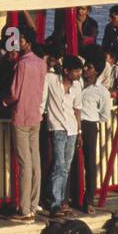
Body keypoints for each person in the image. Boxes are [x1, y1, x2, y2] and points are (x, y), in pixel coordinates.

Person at [6, 27, 45, 220]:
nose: (17, 44)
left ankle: (24, 209)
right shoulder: (41, 63)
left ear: (27, 42)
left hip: (21, 115)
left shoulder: (22, 64)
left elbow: (14, 92)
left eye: (20, 41)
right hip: (35, 115)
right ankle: (34, 202)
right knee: (35, 160)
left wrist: (4, 101)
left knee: (25, 164)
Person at [42, 55, 84, 217]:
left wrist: (79, 132)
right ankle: (55, 202)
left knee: (65, 167)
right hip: (57, 127)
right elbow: (43, 99)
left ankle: (60, 200)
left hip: (72, 129)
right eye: (75, 71)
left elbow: (77, 109)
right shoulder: (51, 80)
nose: (78, 74)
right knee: (59, 165)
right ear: (66, 71)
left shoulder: (77, 86)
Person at [78, 59, 112, 213]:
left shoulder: (102, 91)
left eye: (89, 67)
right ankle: (71, 196)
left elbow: (105, 115)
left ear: (96, 71)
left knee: (90, 163)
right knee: (69, 162)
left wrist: (92, 118)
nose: (85, 69)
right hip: (73, 124)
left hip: (89, 125)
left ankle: (89, 199)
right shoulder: (76, 83)